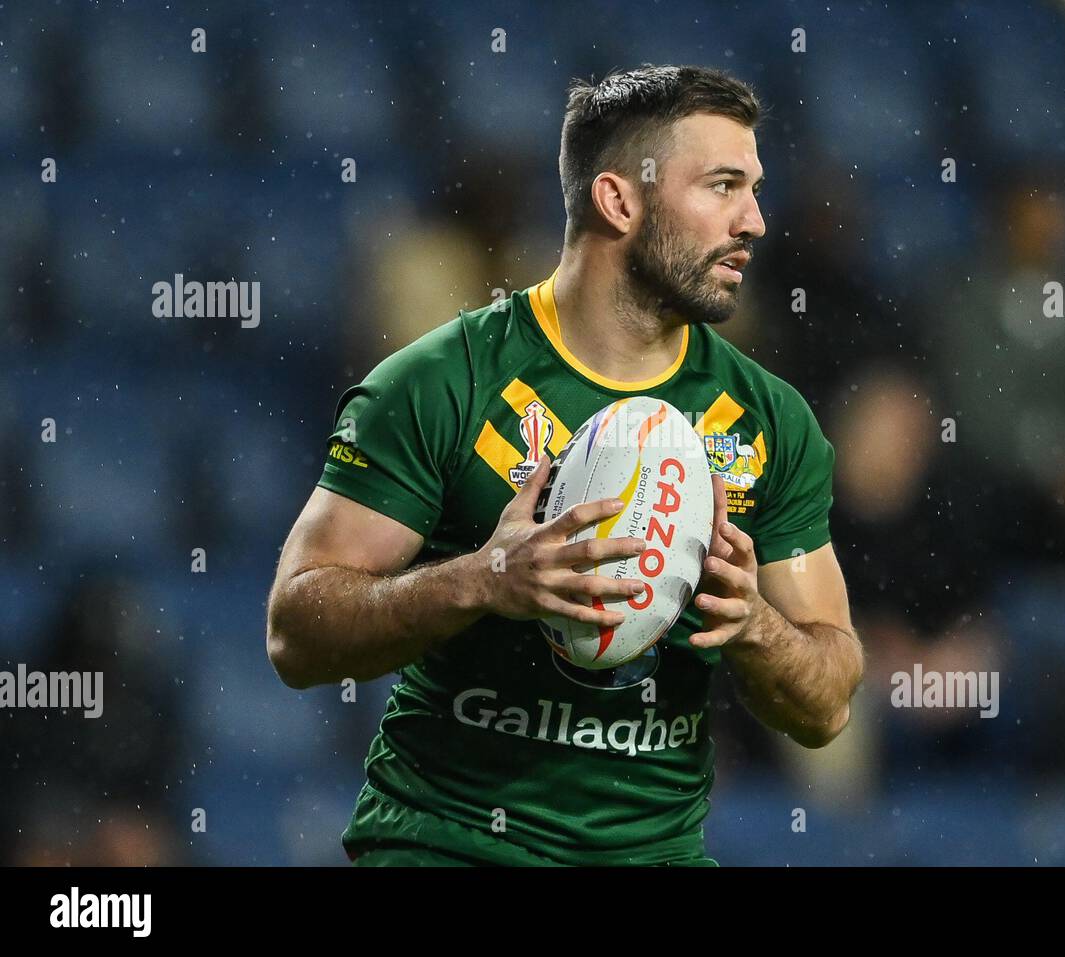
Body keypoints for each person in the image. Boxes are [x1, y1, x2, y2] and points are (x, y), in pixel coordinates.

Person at [266, 64, 863, 867]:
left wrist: (754, 624)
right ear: (619, 200)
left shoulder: (770, 421)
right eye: (723, 186)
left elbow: (828, 703)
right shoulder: (444, 381)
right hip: (448, 846)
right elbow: (295, 633)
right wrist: (480, 580)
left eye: (754, 189)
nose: (754, 220)